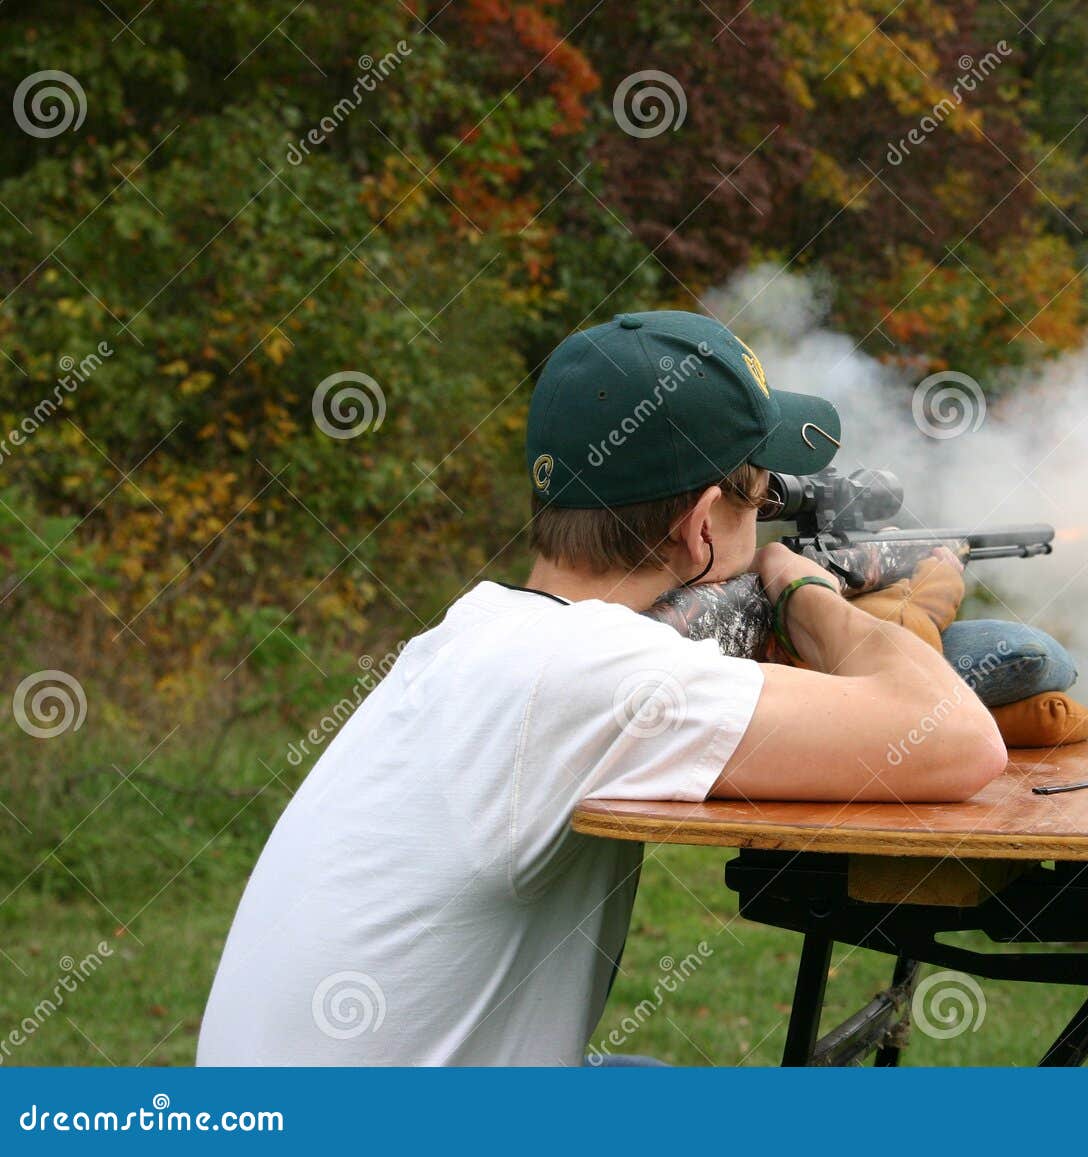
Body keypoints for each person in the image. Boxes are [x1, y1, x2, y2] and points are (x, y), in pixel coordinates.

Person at [196, 310, 1008, 1066]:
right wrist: (804, 592)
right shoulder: (596, 672)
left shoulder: (469, 636)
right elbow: (960, 740)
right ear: (698, 526)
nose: (765, 523)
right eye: (760, 498)